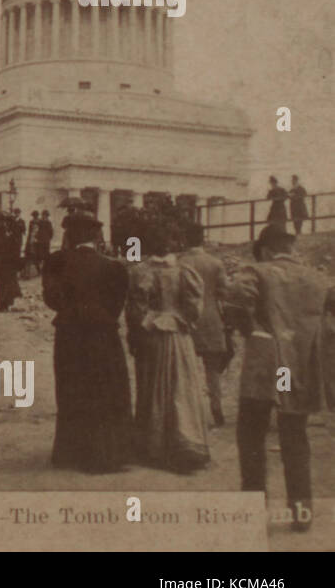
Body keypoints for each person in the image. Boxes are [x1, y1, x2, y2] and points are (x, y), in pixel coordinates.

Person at [225, 224, 334, 532]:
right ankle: (302, 515)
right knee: (295, 436)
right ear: (291, 248)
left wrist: (252, 331)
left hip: (266, 365)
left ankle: (253, 512)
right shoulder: (318, 277)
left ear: (268, 250)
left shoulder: (257, 271)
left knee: (251, 435)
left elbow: (235, 301)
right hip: (297, 369)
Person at [42, 211, 133, 473]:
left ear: (68, 234)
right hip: (103, 334)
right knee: (105, 390)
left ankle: (70, 452)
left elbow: (51, 299)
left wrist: (71, 310)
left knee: (72, 388)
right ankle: (106, 453)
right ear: (95, 235)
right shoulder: (114, 266)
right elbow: (117, 304)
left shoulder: (56, 262)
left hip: (69, 333)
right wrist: (100, 317)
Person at [125, 225, 210, 473]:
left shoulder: (139, 271)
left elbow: (134, 310)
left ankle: (154, 445)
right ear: (173, 245)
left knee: (152, 386)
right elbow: (194, 307)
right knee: (180, 386)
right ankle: (183, 442)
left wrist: (139, 330)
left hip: (151, 335)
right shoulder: (184, 270)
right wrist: (181, 320)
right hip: (178, 335)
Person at [179, 243, 231, 426]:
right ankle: (216, 408)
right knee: (213, 370)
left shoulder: (180, 263)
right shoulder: (215, 263)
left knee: (185, 369)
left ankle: (189, 413)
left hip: (187, 320)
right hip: (211, 320)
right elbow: (224, 293)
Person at [24, 211, 41, 277]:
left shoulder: (40, 222)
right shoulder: (31, 222)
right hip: (31, 244)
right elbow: (29, 231)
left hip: (37, 244)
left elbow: (41, 232)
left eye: (36, 216)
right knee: (29, 258)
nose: (35, 217)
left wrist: (37, 238)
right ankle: (27, 274)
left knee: (36, 259)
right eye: (34, 216)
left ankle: (39, 271)